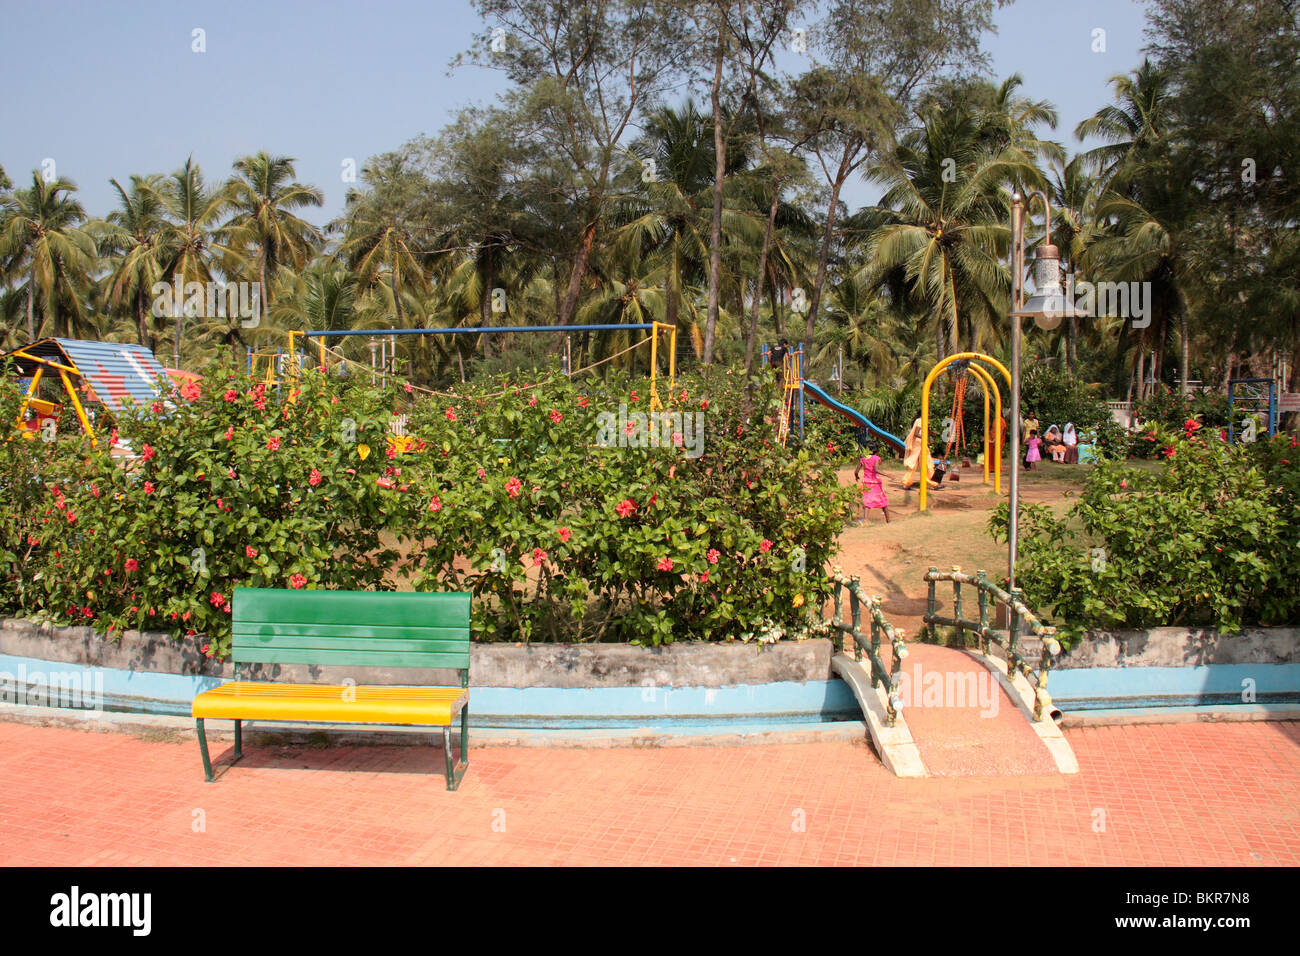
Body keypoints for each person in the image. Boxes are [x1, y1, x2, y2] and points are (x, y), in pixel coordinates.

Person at [902, 417, 939, 490]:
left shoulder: (920, 420)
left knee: (915, 464)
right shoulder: (921, 420)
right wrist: (927, 438)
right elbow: (916, 433)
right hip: (919, 445)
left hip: (919, 444)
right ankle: (935, 483)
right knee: (928, 463)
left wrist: (931, 433)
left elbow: (922, 431)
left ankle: (907, 483)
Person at [854, 450, 890, 524]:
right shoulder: (876, 458)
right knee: (882, 500)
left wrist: (856, 476)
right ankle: (888, 520)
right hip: (876, 482)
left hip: (866, 483)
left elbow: (856, 471)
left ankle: (865, 520)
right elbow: (876, 469)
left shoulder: (863, 459)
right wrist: (888, 475)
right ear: (876, 451)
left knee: (867, 501)